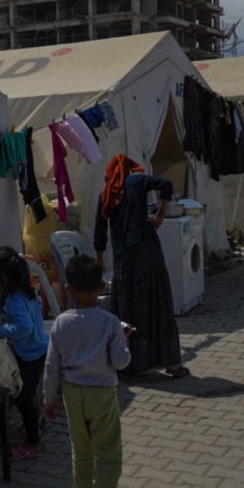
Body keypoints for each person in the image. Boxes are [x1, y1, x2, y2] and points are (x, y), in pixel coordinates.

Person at [43, 255, 133, 488]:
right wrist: (126, 343)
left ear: (68, 289)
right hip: (102, 394)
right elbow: (121, 362)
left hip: (72, 392)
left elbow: (51, 365)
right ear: (102, 287)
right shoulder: (110, 322)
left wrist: (49, 399)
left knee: (81, 451)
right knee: (109, 457)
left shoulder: (61, 322)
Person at [92, 154, 189, 378]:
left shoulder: (106, 194)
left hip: (124, 256)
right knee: (158, 303)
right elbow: (166, 183)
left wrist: (100, 258)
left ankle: (128, 366)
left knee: (129, 308)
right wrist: (161, 216)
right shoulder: (136, 181)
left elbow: (100, 230)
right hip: (149, 250)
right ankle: (172, 365)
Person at [0, 246, 49, 462]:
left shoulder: (14, 300)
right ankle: (31, 425)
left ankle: (33, 443)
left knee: (23, 399)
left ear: (4, 278)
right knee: (25, 397)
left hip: (31, 356)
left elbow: (24, 327)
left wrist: (3, 329)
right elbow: (37, 306)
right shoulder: (29, 293)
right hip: (38, 351)